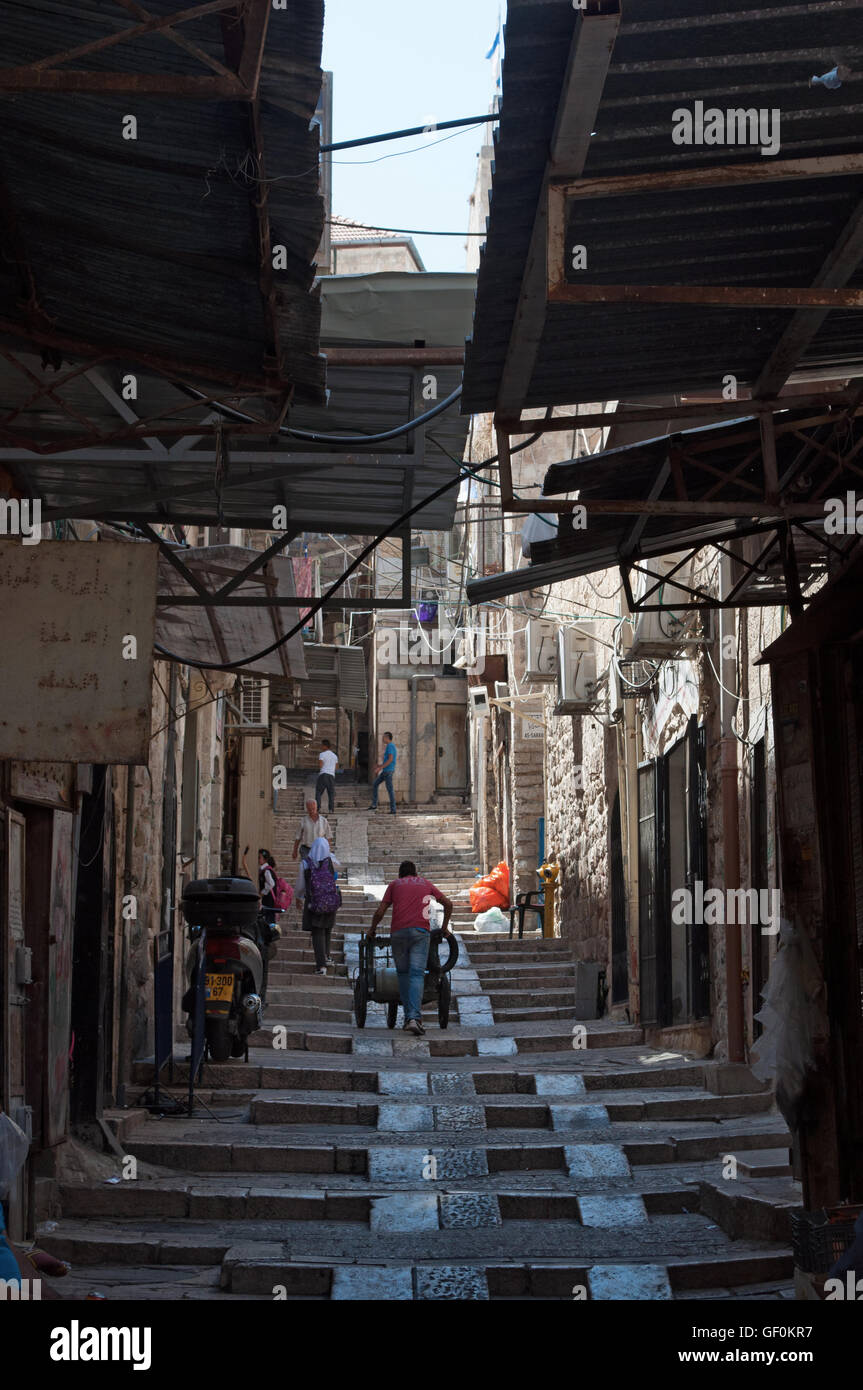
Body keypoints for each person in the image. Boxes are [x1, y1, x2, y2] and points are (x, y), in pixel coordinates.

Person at [367, 860, 453, 1035]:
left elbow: (380, 912)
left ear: (400, 874)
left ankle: (409, 1018)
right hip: (420, 933)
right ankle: (413, 1018)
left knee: (404, 974)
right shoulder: (425, 883)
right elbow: (448, 904)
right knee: (416, 974)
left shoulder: (394, 885)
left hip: (398, 933)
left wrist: (372, 930)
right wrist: (444, 928)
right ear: (415, 873)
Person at [295, 836, 341, 975]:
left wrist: (298, 897)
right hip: (330, 901)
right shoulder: (330, 861)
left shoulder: (305, 864)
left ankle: (321, 966)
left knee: (317, 932)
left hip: (314, 902)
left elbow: (300, 885)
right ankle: (326, 957)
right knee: (327, 929)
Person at [368, 731, 397, 815]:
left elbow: (391, 759)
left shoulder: (390, 746)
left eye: (383, 737)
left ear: (387, 738)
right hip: (385, 771)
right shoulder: (389, 746)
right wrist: (379, 765)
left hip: (388, 771)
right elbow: (388, 760)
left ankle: (393, 809)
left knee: (390, 790)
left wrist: (380, 767)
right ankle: (374, 804)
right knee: (375, 784)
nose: (382, 739)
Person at [316, 739, 338, 813]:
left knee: (318, 792)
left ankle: (318, 808)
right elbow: (336, 767)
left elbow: (321, 765)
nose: (321, 747)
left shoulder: (322, 754)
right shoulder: (335, 756)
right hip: (331, 776)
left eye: (321, 745)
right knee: (331, 793)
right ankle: (331, 809)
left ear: (325, 746)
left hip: (323, 775)